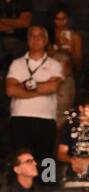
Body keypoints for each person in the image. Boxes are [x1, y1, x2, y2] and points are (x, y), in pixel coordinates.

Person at [5, 25, 63, 167]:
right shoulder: (17, 63)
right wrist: (40, 88)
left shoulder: (55, 64)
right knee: (20, 159)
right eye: (32, 36)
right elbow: (10, 91)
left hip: (46, 119)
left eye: (40, 36)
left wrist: (23, 86)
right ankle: (19, 188)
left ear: (46, 41)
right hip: (20, 118)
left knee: (47, 159)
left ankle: (47, 187)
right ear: (27, 39)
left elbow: (53, 87)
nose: (36, 39)